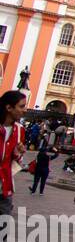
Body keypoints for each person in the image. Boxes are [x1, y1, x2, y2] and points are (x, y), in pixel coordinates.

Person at [1, 90, 29, 222]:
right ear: (9, 107)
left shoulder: (19, 130)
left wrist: (17, 155)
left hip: (5, 188)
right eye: (22, 106)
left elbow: (17, 164)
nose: (25, 110)